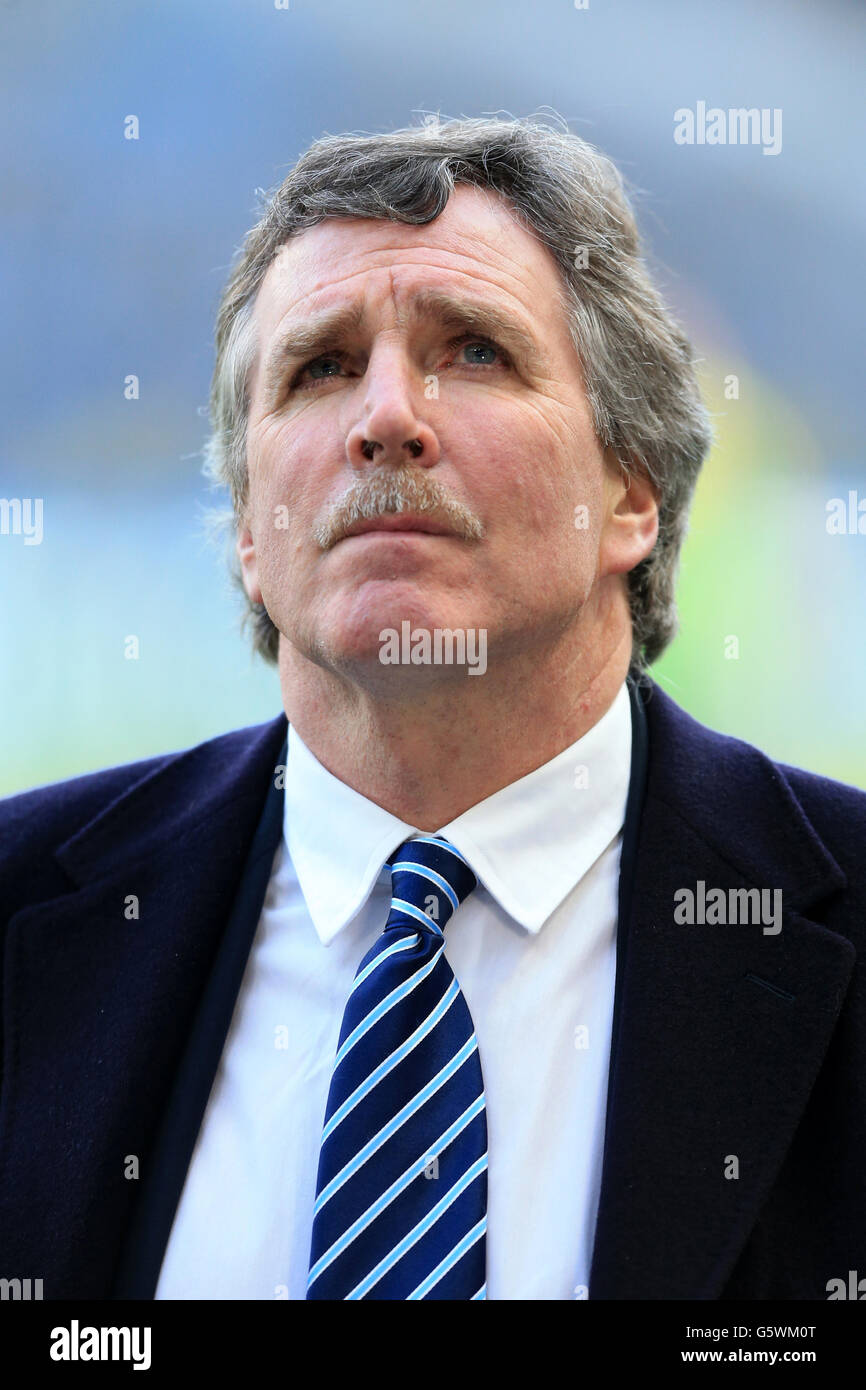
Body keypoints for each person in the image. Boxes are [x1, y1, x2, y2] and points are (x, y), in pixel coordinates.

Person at [1, 116, 864, 1302]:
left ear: (630, 493)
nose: (386, 417)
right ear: (251, 535)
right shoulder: (25, 915)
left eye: (473, 353)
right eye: (320, 367)